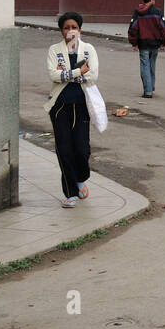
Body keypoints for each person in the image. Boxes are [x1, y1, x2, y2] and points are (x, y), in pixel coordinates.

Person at [44, 12, 100, 208]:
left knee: (82, 150)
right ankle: (70, 193)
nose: (70, 31)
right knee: (64, 150)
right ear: (61, 31)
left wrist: (67, 75)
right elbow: (53, 75)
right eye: (66, 27)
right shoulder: (54, 50)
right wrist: (78, 72)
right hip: (60, 107)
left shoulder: (88, 49)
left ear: (80, 29)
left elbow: (92, 75)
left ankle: (81, 178)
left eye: (73, 27)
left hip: (82, 106)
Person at [128, 0, 165, 98]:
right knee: (152, 65)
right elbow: (163, 28)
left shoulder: (138, 12)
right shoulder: (158, 12)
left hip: (143, 44)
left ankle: (148, 90)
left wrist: (134, 43)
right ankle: (151, 87)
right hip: (155, 43)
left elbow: (133, 28)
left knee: (145, 66)